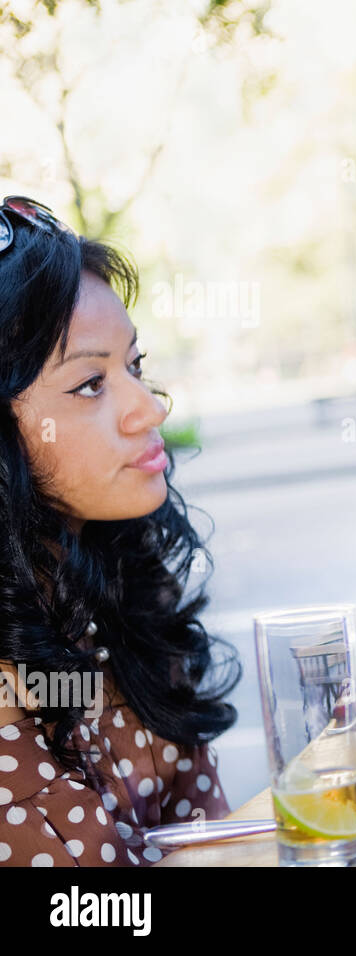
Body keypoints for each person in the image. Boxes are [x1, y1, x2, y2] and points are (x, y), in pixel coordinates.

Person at [0, 196, 239, 866]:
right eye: (88, 386)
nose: (149, 406)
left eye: (134, 366)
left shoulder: (121, 591)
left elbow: (210, 844)